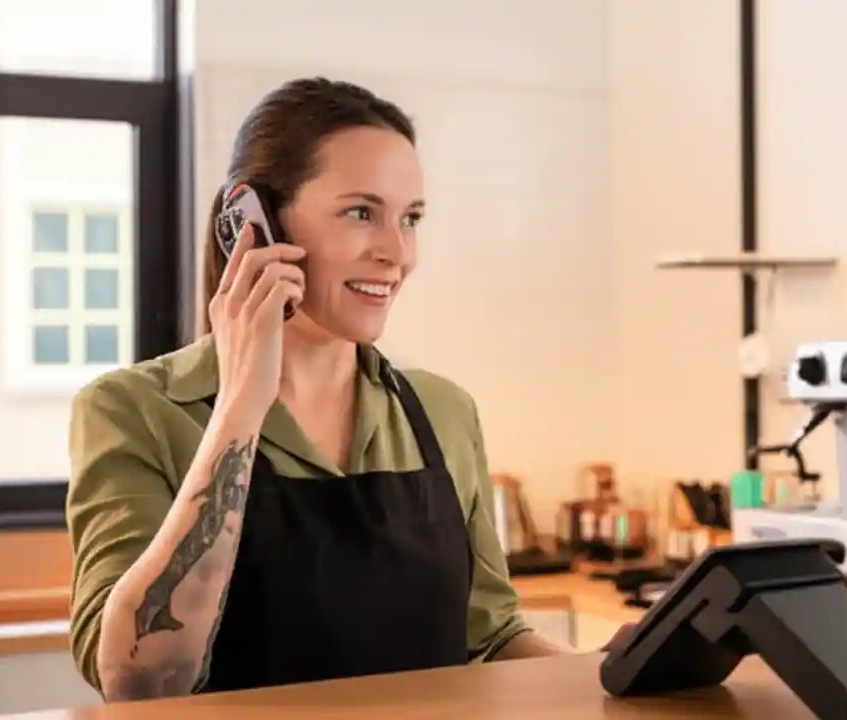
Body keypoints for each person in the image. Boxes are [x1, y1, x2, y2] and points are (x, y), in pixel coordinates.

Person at [65, 76, 572, 703]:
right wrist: (242, 401)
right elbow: (140, 679)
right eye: (361, 213)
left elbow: (490, 640)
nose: (397, 252)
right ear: (252, 224)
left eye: (410, 219)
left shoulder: (443, 411)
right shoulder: (133, 411)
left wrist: (618, 670)